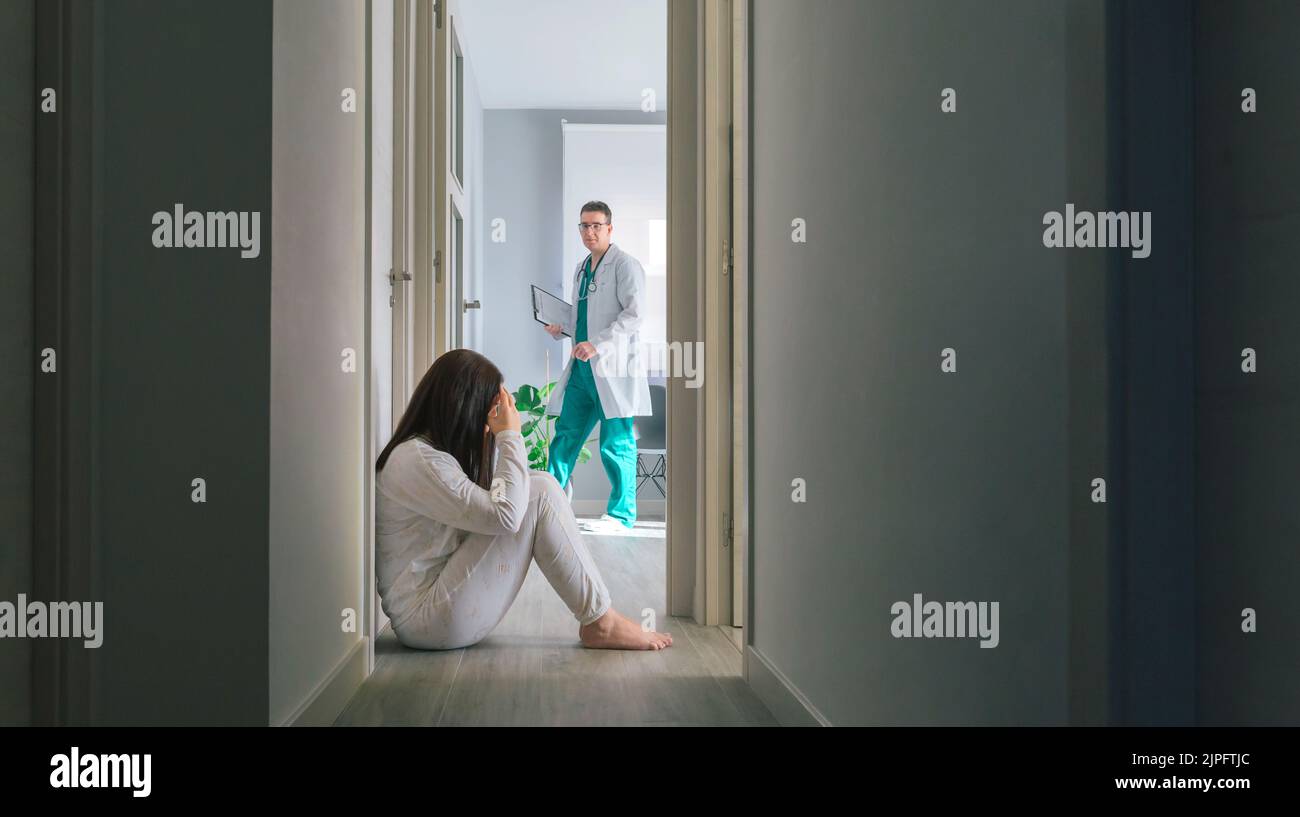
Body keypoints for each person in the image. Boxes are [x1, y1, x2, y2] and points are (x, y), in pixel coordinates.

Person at [374, 348, 672, 651]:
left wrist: (504, 438)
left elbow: (500, 505)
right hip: (425, 619)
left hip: (435, 609)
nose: (488, 427)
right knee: (539, 491)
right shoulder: (420, 460)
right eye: (488, 413)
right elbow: (506, 515)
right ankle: (601, 623)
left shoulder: (428, 456)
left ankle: (601, 619)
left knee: (540, 484)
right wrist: (510, 436)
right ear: (463, 407)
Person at [543, 201, 652, 532]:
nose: (589, 232)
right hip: (582, 370)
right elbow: (582, 317)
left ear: (609, 228)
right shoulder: (582, 269)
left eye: (596, 226)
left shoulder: (625, 265)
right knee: (565, 439)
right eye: (584, 226)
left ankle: (621, 516)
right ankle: (549, 508)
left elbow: (634, 315)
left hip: (613, 370)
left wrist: (598, 344)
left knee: (616, 443)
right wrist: (561, 328)